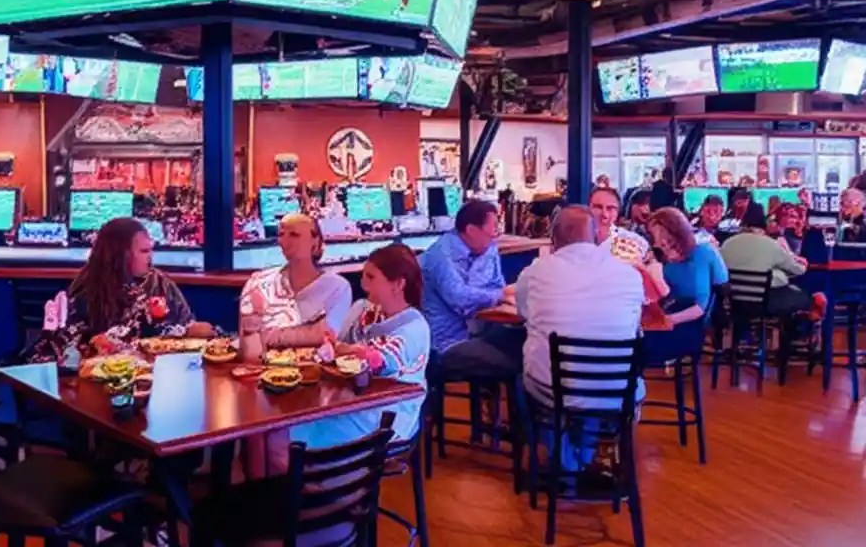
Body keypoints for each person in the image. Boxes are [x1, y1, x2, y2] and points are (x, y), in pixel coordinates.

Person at [259, 245, 429, 475]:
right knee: (271, 432)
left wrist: (341, 349)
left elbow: (376, 362)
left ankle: (332, 503)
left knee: (277, 441)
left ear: (397, 284)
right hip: (355, 404)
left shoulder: (414, 328)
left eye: (371, 277)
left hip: (387, 419)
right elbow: (338, 346)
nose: (363, 285)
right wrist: (332, 345)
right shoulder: (369, 312)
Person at [517, 206, 644, 471]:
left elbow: (525, 315)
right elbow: (633, 329)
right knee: (608, 382)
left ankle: (563, 460)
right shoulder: (629, 275)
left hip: (553, 389)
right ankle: (599, 458)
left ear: (554, 238)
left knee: (530, 378)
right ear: (596, 235)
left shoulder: (536, 271)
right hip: (616, 390)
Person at [30, 218, 206, 364]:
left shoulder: (159, 283)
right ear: (121, 255)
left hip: (156, 373)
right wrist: (94, 344)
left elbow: (185, 327)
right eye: (144, 251)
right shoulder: (87, 288)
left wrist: (193, 330)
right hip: (101, 378)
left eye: (150, 250)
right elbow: (67, 351)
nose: (150, 258)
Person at [420, 200, 519, 380]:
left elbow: (497, 284)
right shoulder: (440, 255)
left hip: (483, 330)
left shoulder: (488, 248)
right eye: (492, 231)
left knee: (524, 341)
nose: (495, 237)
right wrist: (499, 296)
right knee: (516, 360)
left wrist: (498, 295)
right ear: (472, 230)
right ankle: (519, 407)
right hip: (449, 343)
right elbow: (459, 297)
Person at [239, 214, 350, 357]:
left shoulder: (337, 287)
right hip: (264, 371)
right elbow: (247, 345)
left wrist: (265, 334)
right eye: (281, 234)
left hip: (314, 372)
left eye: (294, 234)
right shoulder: (258, 282)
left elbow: (324, 336)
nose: (283, 241)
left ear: (315, 241)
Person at [644, 208, 728, 364]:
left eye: (662, 234)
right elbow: (663, 295)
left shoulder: (701, 253)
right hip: (674, 311)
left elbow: (700, 309)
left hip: (695, 321)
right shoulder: (662, 257)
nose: (658, 240)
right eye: (654, 234)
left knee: (644, 345)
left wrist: (668, 320)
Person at [720, 204, 818, 317]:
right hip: (764, 304)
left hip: (734, 304)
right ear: (764, 225)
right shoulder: (770, 244)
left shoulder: (727, 244)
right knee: (804, 299)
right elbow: (798, 270)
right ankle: (791, 333)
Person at [590, 187, 650, 264]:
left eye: (610, 208)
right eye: (598, 207)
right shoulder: (575, 240)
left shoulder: (634, 241)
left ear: (618, 211)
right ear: (588, 208)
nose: (604, 214)